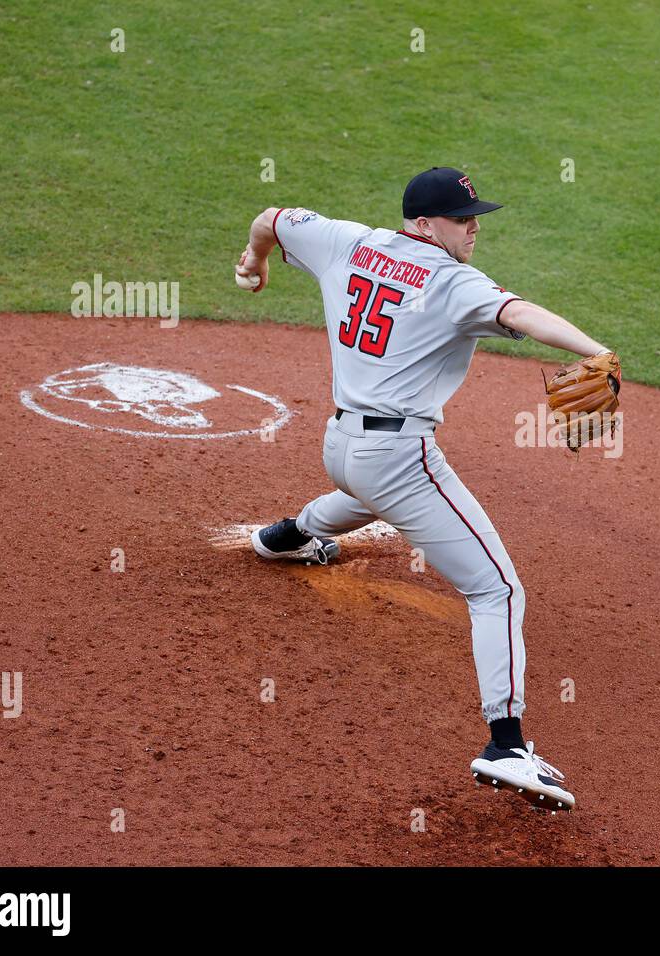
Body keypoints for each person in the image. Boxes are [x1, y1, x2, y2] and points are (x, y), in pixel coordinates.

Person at [235, 167, 613, 812]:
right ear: (422, 224)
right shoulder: (453, 282)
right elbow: (519, 312)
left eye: (475, 217)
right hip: (399, 457)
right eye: (460, 218)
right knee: (496, 587)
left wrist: (253, 260)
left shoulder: (346, 241)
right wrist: (594, 348)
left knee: (373, 496)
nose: (472, 228)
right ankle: (507, 745)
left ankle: (289, 536)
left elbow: (271, 217)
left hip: (341, 449)